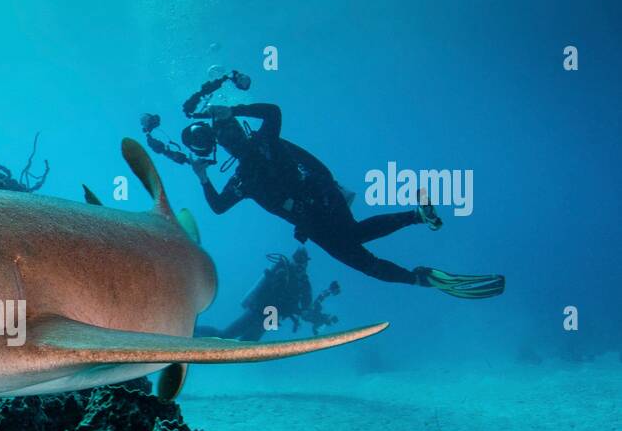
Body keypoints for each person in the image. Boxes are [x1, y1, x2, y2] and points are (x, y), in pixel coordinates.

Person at [140, 79, 505, 299]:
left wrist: (203, 176)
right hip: (323, 198)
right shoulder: (264, 145)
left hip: (313, 216)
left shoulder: (242, 178)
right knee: (356, 235)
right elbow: (273, 112)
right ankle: (416, 225)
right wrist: (233, 109)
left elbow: (218, 206)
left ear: (221, 145)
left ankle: (419, 274)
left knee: (364, 259)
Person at [196, 248, 340, 340]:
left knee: (246, 345)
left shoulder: (304, 283)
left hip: (270, 319)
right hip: (257, 312)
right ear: (294, 260)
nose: (301, 266)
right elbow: (274, 296)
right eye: (299, 261)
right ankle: (193, 332)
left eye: (304, 263)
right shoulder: (282, 272)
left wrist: (321, 315)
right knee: (226, 335)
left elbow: (306, 309)